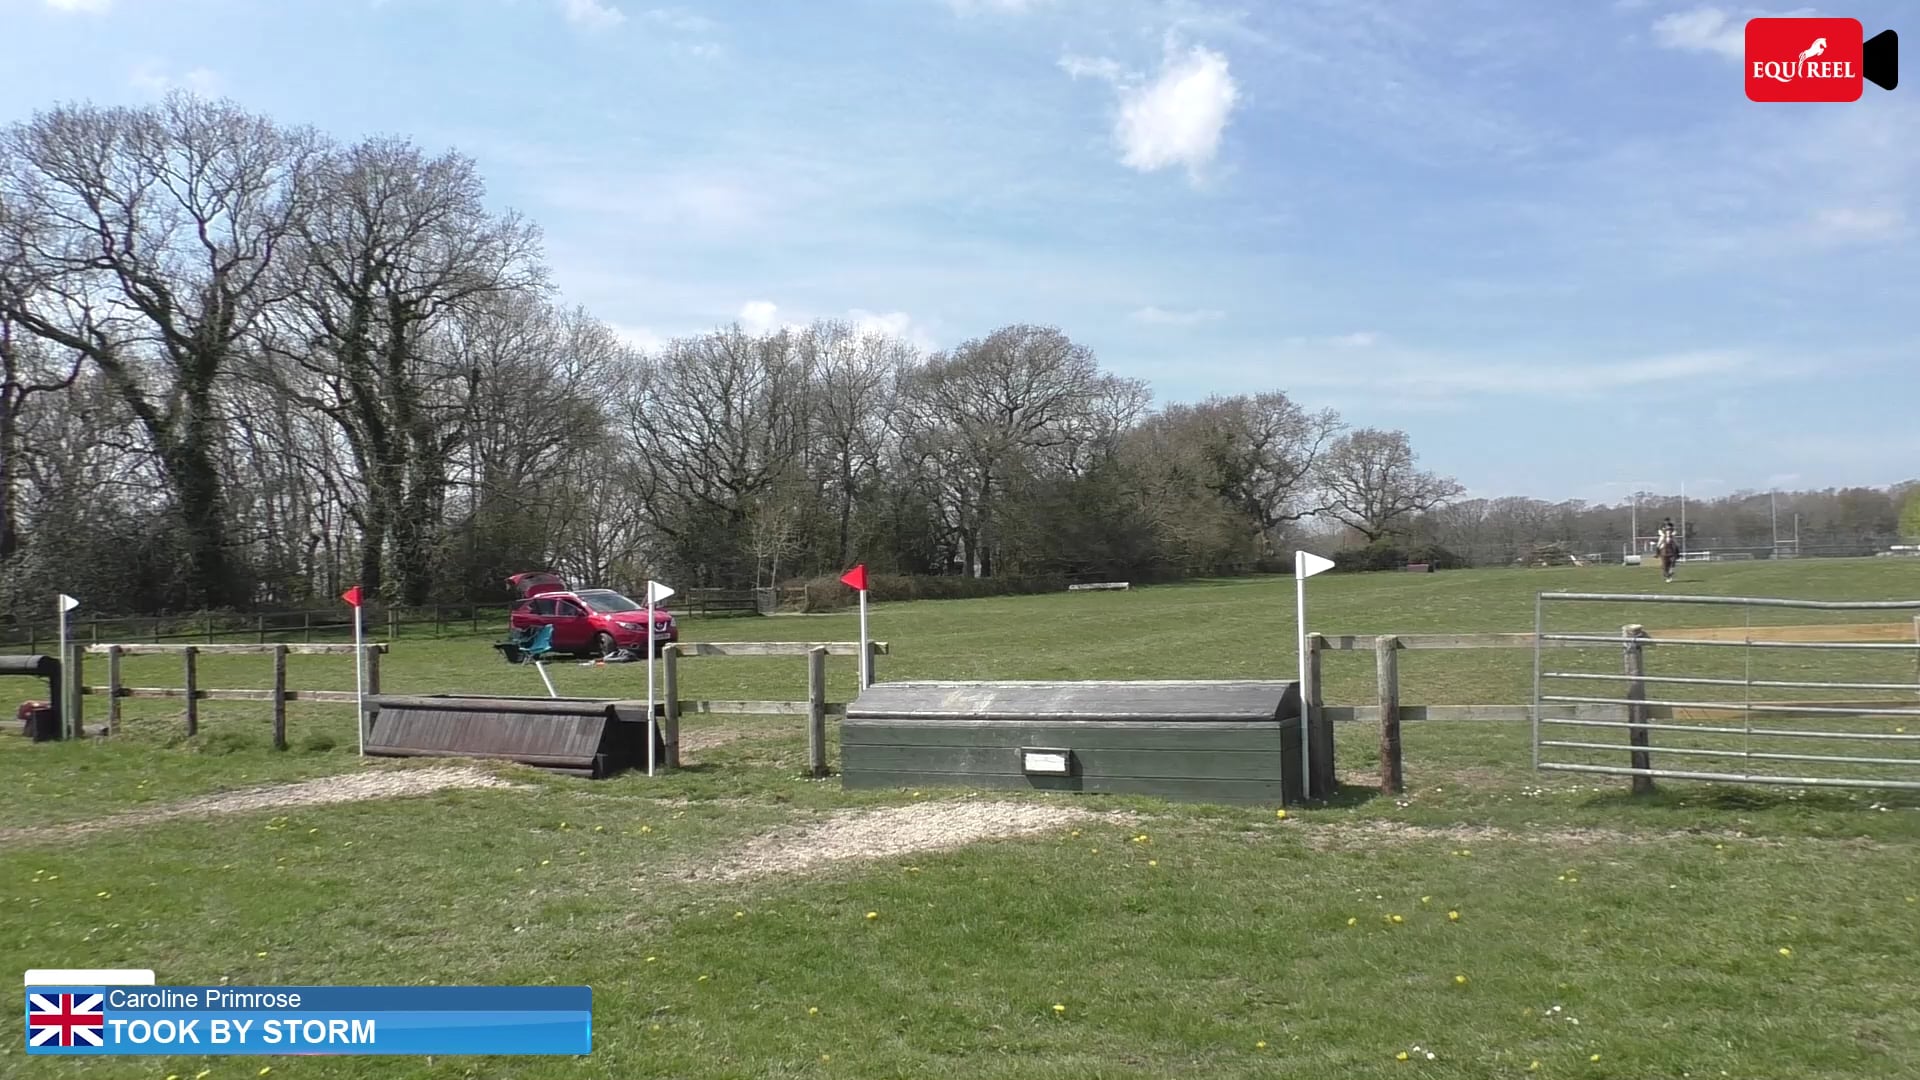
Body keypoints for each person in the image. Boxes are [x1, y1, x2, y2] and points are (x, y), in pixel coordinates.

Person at [1655, 518, 1679, 582]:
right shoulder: (1662, 525)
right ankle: (1657, 553)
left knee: (1676, 544)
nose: (1667, 522)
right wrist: (1663, 535)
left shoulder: (1671, 525)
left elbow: (1674, 531)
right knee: (1659, 544)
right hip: (1663, 536)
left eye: (1667, 521)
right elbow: (1659, 531)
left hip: (1671, 536)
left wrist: (1672, 534)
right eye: (1666, 521)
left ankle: (1677, 553)